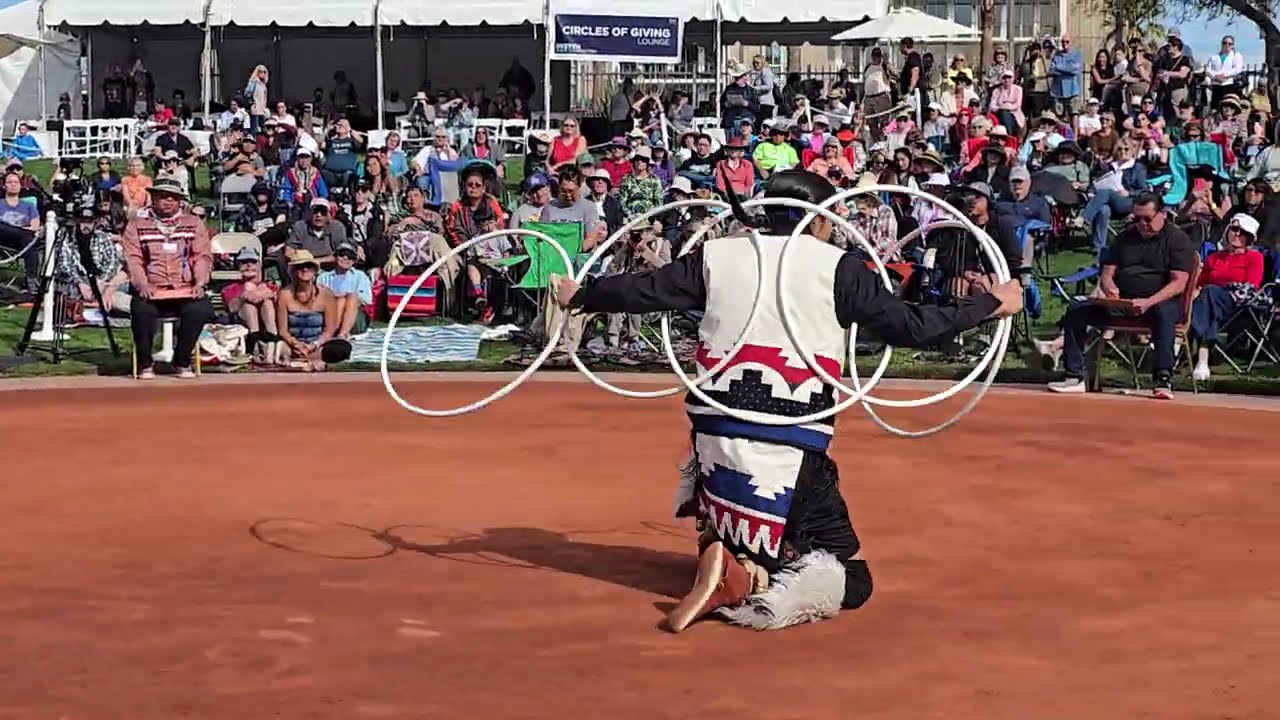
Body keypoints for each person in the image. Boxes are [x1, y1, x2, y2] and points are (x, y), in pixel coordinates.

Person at [550, 170, 1023, 632]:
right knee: (852, 580)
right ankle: (751, 584)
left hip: (713, 440)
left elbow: (645, 290)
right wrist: (990, 304)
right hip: (790, 444)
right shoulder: (838, 267)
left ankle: (730, 549)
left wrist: (583, 293)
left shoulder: (716, 255)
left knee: (752, 508)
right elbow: (912, 326)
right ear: (819, 218)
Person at [1048, 194, 1196, 399]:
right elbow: (1107, 274)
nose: (1142, 224)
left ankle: (1163, 378)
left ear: (1163, 214)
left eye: (1147, 219)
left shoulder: (1178, 240)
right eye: (1137, 219)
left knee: (1164, 312)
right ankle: (1074, 375)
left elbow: (1179, 283)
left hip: (1159, 301)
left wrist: (1148, 302)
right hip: (1123, 302)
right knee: (1077, 308)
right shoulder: (1124, 238)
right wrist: (1110, 290)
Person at [119, 178, 214, 379]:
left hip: (184, 287)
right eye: (163, 197)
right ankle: (145, 364)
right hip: (151, 288)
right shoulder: (137, 225)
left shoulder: (193, 223)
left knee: (200, 308)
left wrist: (200, 282)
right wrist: (142, 283)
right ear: (153, 199)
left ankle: (182, 361)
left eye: (173, 198)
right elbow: (133, 259)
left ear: (180, 201)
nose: (168, 201)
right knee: (141, 310)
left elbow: (202, 256)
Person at [1190, 215, 1265, 382]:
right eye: (1234, 229)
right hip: (1210, 304)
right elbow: (1200, 285)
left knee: (1210, 294)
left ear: (1250, 237)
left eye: (1243, 232)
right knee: (1206, 298)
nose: (1237, 234)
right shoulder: (1214, 257)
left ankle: (1185, 346)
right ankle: (1203, 357)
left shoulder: (1254, 257)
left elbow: (1251, 287)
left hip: (1238, 306)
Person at [318, 242, 374, 337]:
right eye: (342, 255)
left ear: (354, 260)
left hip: (354, 316)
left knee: (351, 297)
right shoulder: (323, 278)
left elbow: (366, 299)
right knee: (340, 301)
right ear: (336, 257)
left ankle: (340, 333)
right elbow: (318, 300)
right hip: (329, 313)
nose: (346, 258)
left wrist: (344, 296)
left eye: (350, 256)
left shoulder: (360, 276)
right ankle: (339, 333)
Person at [0, 170, 41, 292]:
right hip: (3, 240)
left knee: (30, 239)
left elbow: (35, 226)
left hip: (22, 242)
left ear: (20, 185)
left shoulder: (29, 206)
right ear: (4, 185)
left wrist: (30, 231)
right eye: (10, 182)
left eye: (16, 182)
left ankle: (32, 281)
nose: (13, 184)